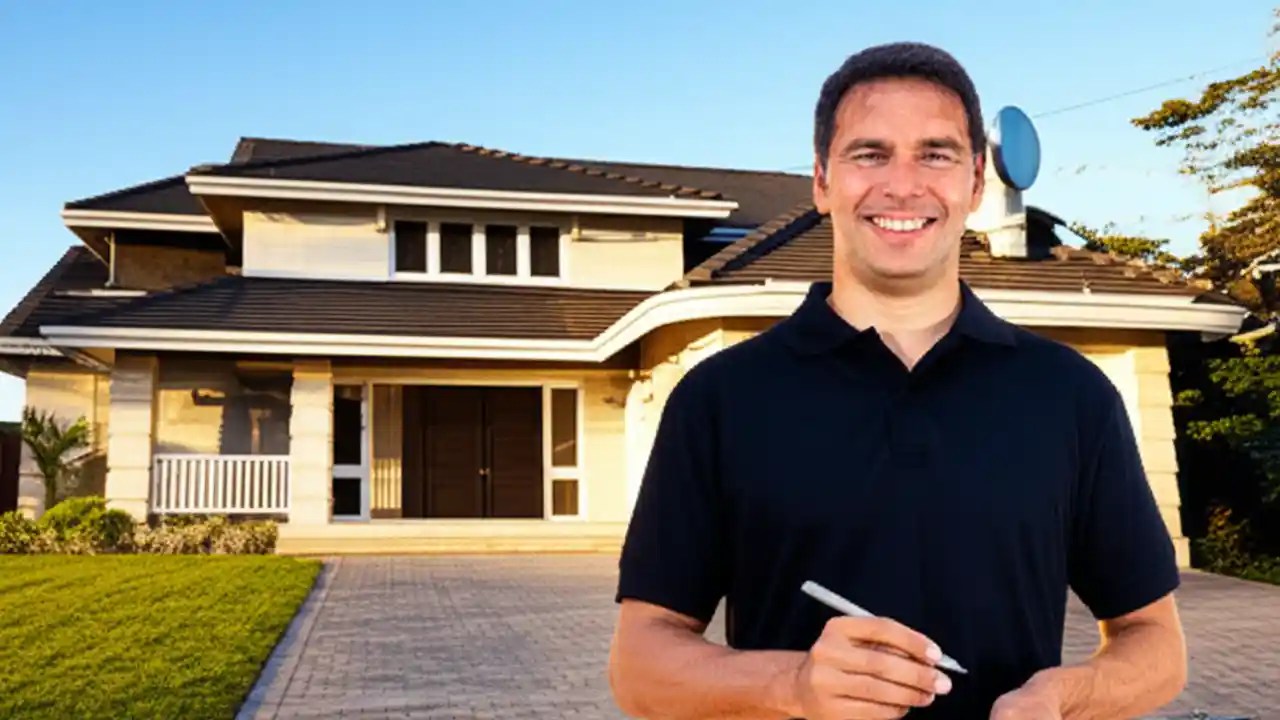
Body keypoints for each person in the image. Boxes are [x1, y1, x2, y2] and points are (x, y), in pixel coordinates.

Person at [607, 41, 1188, 719]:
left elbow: (1156, 646)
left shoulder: (1072, 396)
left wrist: (1065, 697)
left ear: (975, 183)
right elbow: (639, 666)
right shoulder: (719, 399)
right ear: (822, 181)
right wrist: (791, 685)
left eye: (935, 154)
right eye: (870, 153)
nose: (904, 185)